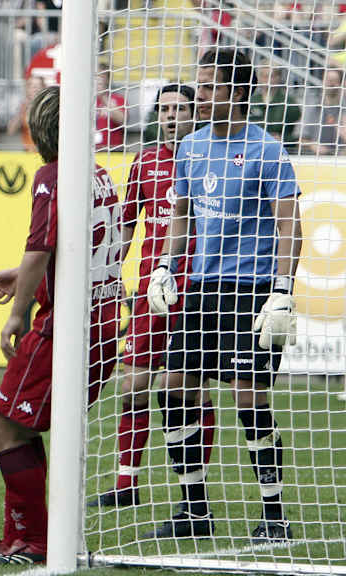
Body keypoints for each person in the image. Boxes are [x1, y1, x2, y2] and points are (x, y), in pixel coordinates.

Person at [142, 48, 301, 542]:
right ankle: (194, 510)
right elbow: (182, 213)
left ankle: (275, 517)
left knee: (248, 397)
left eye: (207, 87)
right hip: (203, 289)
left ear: (235, 93)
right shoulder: (189, 147)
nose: (198, 95)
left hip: (252, 292)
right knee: (173, 388)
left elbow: (289, 225)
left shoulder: (269, 150)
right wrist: (166, 266)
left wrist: (282, 291)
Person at [0, 85, 122, 565]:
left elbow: (39, 248)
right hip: (103, 317)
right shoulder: (97, 174)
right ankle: (23, 538)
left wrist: (17, 313)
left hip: (66, 326)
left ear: (39, 131)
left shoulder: (53, 176)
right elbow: (73, 247)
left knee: (4, 429)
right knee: (20, 429)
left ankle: (33, 542)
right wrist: (28, 274)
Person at [86, 84, 217, 509]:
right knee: (134, 384)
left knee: (193, 391)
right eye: (165, 109)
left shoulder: (209, 160)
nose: (172, 116)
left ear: (196, 114)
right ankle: (126, 484)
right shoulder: (145, 162)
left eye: (180, 109)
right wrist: (104, 270)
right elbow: (126, 225)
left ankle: (192, 494)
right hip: (149, 291)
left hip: (196, 289)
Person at [248, 63, 301, 147]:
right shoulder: (251, 101)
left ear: (278, 78)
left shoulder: (289, 103)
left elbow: (297, 134)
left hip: (281, 148)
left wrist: (282, 138)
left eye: (271, 76)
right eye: (264, 76)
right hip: (254, 146)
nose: (267, 80)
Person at [298, 66, 346, 156]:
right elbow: (301, 139)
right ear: (322, 81)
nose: (331, 84)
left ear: (341, 83)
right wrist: (312, 145)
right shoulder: (312, 107)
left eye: (334, 80)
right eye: (328, 80)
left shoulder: (344, 110)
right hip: (316, 160)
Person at [95, 65, 126, 150]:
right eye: (95, 76)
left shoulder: (118, 99)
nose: (98, 80)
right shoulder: (86, 101)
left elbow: (122, 120)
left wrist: (103, 96)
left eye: (101, 76)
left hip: (113, 150)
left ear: (107, 79)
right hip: (91, 150)